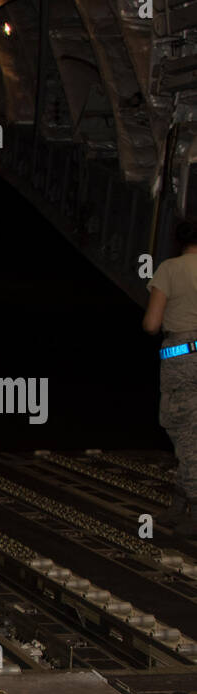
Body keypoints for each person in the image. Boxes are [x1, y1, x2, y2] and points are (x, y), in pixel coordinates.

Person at [144, 218, 197, 536]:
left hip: (181, 356)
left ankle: (192, 506)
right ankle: (179, 504)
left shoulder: (170, 269)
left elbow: (152, 323)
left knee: (184, 431)